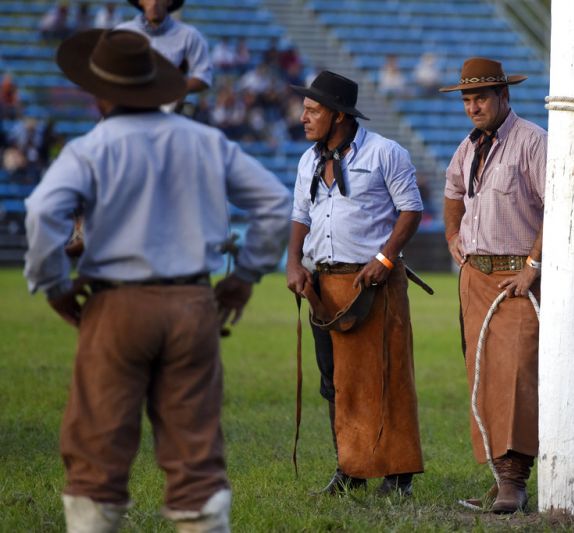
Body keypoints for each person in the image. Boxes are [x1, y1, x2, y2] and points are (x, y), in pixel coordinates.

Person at [23, 29, 291, 532]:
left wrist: (56, 283)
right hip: (192, 302)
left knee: (97, 447)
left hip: (116, 305)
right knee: (195, 452)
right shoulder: (205, 141)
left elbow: (42, 213)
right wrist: (245, 276)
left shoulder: (90, 148)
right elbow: (275, 203)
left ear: (100, 92)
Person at [285, 71, 424, 497]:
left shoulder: (386, 153)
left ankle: (397, 474)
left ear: (340, 115)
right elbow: (300, 216)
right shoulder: (308, 160)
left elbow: (411, 211)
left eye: (314, 110)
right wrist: (294, 263)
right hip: (324, 286)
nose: (304, 117)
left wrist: (384, 258)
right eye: (305, 109)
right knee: (334, 382)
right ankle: (351, 467)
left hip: (373, 283)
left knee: (387, 375)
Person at [440, 57, 547, 513]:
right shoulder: (467, 148)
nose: (473, 107)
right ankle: (499, 475)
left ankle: (514, 480)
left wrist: (533, 266)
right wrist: (452, 238)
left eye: (480, 97)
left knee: (518, 372)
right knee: (482, 377)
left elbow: (557, 205)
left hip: (517, 278)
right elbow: (451, 194)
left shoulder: (532, 141)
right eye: (467, 99)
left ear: (505, 96)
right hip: (476, 277)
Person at [117, 0, 212, 95]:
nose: (154, 3)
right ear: (140, 1)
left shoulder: (189, 35)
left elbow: (203, 76)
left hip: (168, 107)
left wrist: (175, 89)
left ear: (169, 1)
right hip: (130, 104)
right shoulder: (122, 33)